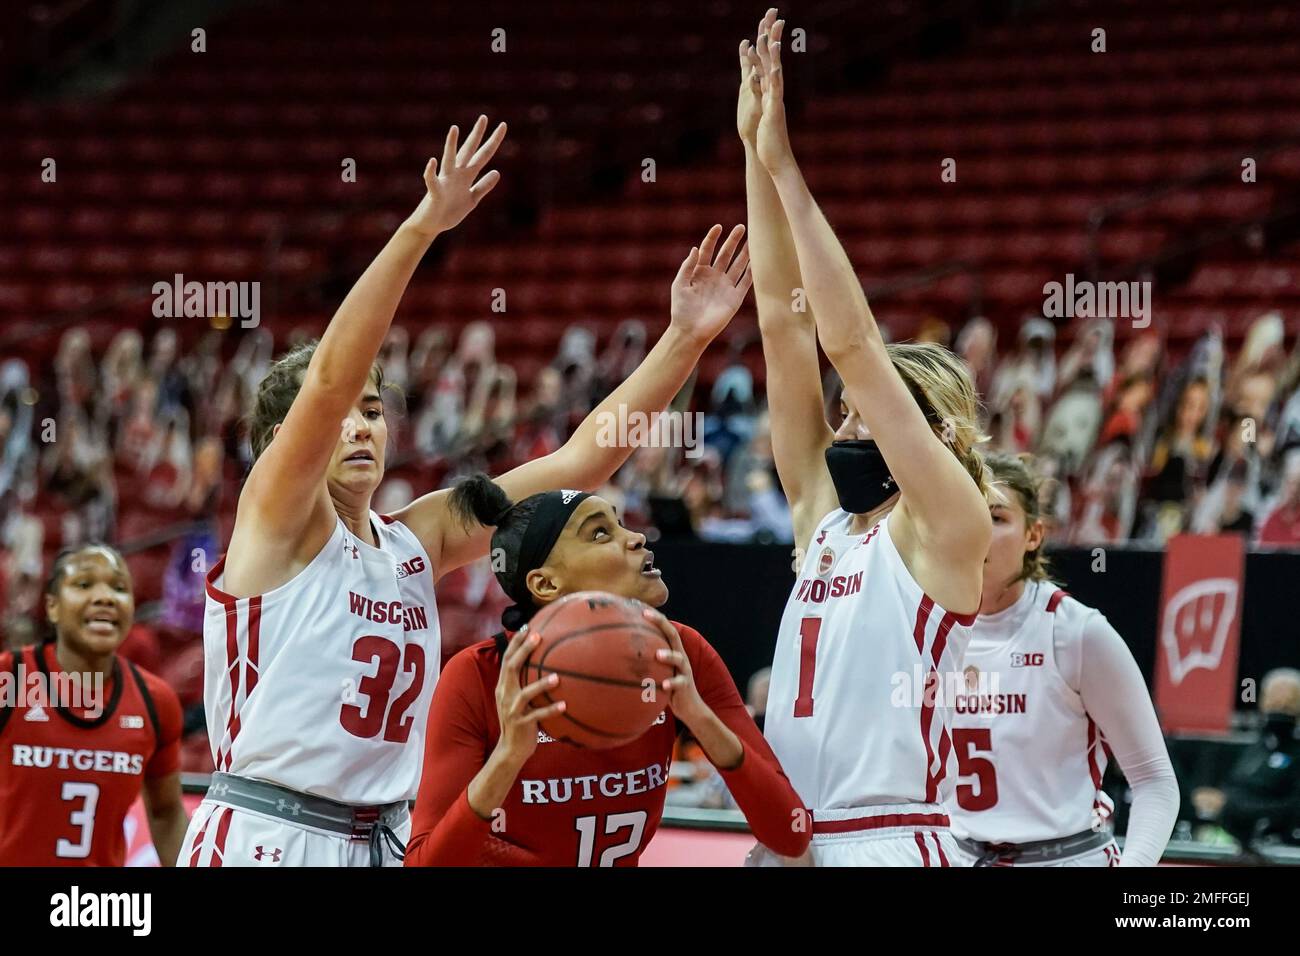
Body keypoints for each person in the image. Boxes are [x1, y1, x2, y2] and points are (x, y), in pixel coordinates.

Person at [180, 118, 755, 867]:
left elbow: (581, 462)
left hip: (381, 838)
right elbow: (327, 380)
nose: (359, 427)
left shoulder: (415, 541)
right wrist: (423, 227)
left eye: (376, 413)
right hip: (270, 834)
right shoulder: (274, 524)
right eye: (342, 416)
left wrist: (685, 339)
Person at [740, 9, 991, 866]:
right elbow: (785, 322)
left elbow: (848, 341)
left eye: (870, 411)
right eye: (844, 410)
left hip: (894, 840)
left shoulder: (947, 527)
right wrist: (749, 151)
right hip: (795, 842)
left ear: (942, 431)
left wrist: (786, 165)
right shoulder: (823, 517)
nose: (847, 422)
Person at [403, 476, 808, 865]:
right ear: (545, 583)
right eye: (600, 533)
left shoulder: (680, 653)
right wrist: (508, 758)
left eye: (621, 524)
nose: (635, 538)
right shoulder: (478, 676)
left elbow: (790, 834)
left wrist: (699, 718)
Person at [945, 454, 1179, 866]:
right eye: (969, 512)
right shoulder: (930, 628)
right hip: (962, 856)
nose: (979, 529)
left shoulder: (1076, 631)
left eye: (997, 517)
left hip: (1068, 856)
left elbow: (1155, 781)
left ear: (1034, 534)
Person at [0, 544, 187, 865]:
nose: (105, 597)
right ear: (53, 606)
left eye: (119, 588)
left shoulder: (155, 700)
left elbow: (166, 813)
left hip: (95, 911)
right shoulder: (9, 678)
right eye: (84, 584)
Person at [1191, 668, 1300, 850]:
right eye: (1273, 703)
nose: (1278, 711)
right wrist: (1213, 799)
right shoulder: (1254, 748)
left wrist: (1230, 807)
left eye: (1287, 706)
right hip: (1235, 840)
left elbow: (1293, 809)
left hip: (1278, 846)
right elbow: (1234, 786)